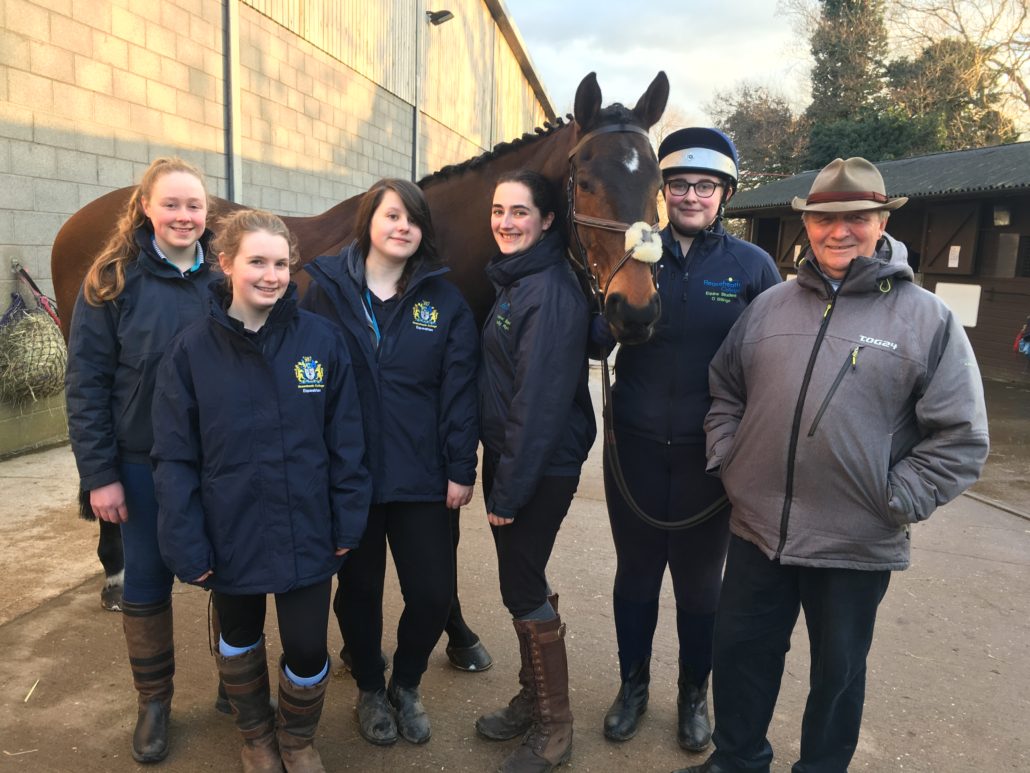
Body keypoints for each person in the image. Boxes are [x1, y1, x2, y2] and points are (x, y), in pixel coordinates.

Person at [676, 157, 990, 773]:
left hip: (855, 542)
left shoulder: (926, 319)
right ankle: (737, 759)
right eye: (825, 219)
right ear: (808, 225)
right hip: (757, 530)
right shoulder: (769, 307)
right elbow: (725, 391)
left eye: (857, 218)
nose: (839, 231)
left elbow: (960, 438)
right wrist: (729, 459)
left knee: (838, 676)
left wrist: (893, 497)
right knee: (741, 655)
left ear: (881, 222)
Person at [152, 209, 371, 772]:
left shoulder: (321, 343)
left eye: (280, 262)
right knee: (241, 637)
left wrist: (348, 521)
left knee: (304, 646)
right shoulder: (190, 352)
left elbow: (347, 442)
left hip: (308, 529)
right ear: (225, 264)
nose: (271, 275)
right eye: (257, 261)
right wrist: (186, 542)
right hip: (231, 531)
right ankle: (256, 737)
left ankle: (297, 739)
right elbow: (175, 458)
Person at [595, 128, 780, 749]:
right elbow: (597, 341)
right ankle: (633, 686)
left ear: (724, 194)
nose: (691, 196)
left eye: (705, 186)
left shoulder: (751, 268)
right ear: (662, 191)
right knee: (636, 578)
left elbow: (772, 365)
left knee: (701, 588)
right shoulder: (631, 253)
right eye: (679, 185)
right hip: (637, 449)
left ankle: (693, 696)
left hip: (711, 458)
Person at [301, 178, 479, 746]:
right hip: (348, 476)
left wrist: (460, 467)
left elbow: (459, 390)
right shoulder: (322, 291)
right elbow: (304, 380)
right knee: (358, 592)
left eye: (413, 219)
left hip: (421, 475)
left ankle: (406, 683)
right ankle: (371, 690)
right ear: (368, 223)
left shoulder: (442, 301)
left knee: (431, 592)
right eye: (392, 215)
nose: (403, 227)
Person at [65, 156, 222, 763]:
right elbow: (86, 385)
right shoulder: (111, 280)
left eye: (195, 205)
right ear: (147, 208)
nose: (185, 215)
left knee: (229, 577)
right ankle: (154, 701)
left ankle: (237, 689)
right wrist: (98, 476)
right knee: (148, 583)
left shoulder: (227, 278)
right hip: (141, 461)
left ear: (207, 214)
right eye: (173, 204)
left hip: (217, 462)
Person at [475, 169, 596, 772]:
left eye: (519, 212)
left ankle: (554, 726)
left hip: (538, 467)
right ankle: (533, 697)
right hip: (518, 459)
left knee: (520, 586)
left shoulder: (547, 290)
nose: (505, 222)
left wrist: (508, 489)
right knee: (524, 578)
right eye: (499, 210)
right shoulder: (518, 280)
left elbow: (539, 403)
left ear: (547, 220)